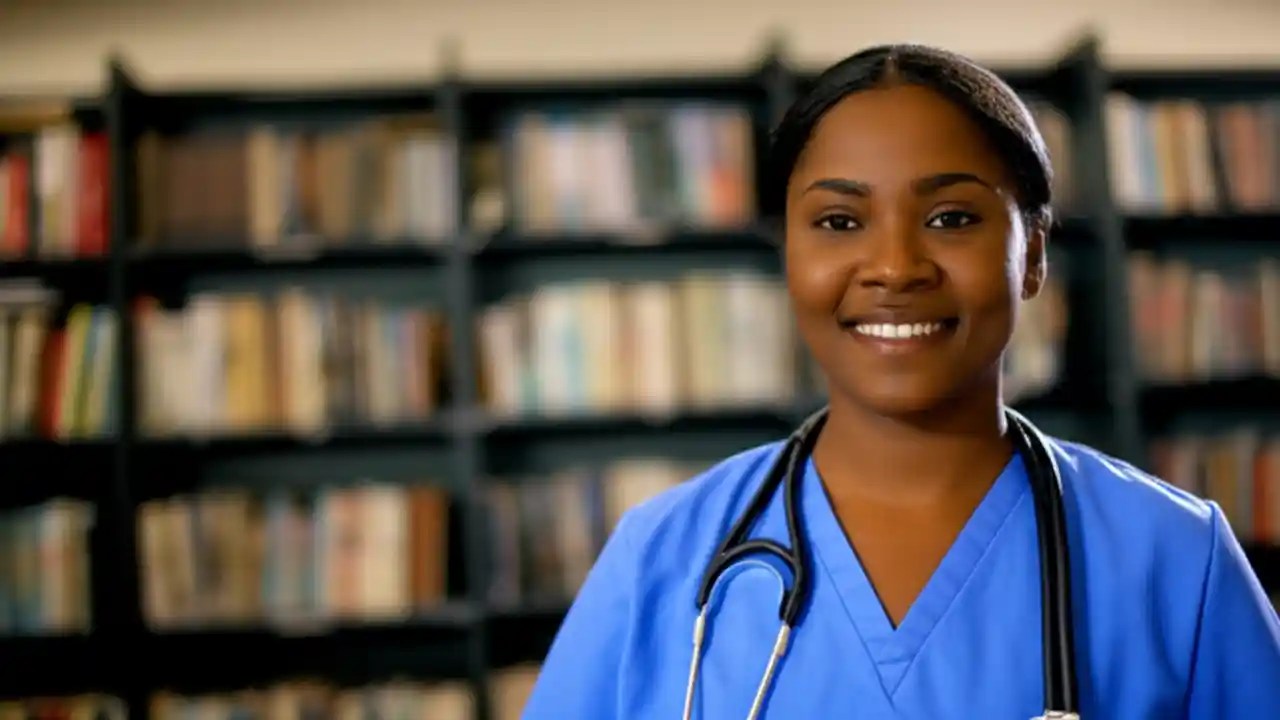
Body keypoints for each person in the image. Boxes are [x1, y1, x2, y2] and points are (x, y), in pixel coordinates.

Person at [519, 43, 1280, 718]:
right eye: (839, 222)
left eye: (951, 219)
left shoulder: (1180, 562)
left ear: (1035, 254)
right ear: (786, 252)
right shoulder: (660, 556)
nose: (894, 267)